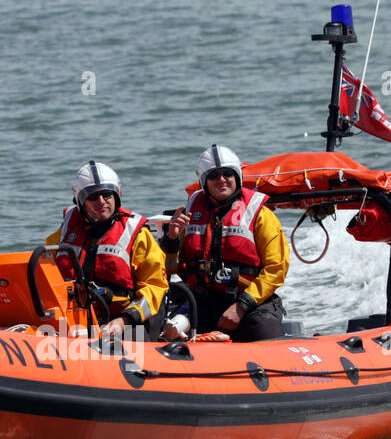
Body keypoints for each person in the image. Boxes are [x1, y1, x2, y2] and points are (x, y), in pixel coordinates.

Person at [163, 145, 288, 341]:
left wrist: (241, 306)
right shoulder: (188, 215)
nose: (221, 180)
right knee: (165, 333)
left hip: (252, 304)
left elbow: (276, 268)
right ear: (204, 182)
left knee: (268, 339)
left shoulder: (260, 214)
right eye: (213, 176)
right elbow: (170, 271)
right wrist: (171, 240)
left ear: (237, 176)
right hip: (203, 303)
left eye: (227, 174)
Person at [45, 160, 169, 339]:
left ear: (117, 196)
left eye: (106, 195)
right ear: (80, 202)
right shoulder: (66, 231)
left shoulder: (137, 234)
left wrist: (124, 320)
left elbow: (155, 286)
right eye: (93, 197)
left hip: (128, 319)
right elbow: (44, 270)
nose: (101, 202)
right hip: (80, 318)